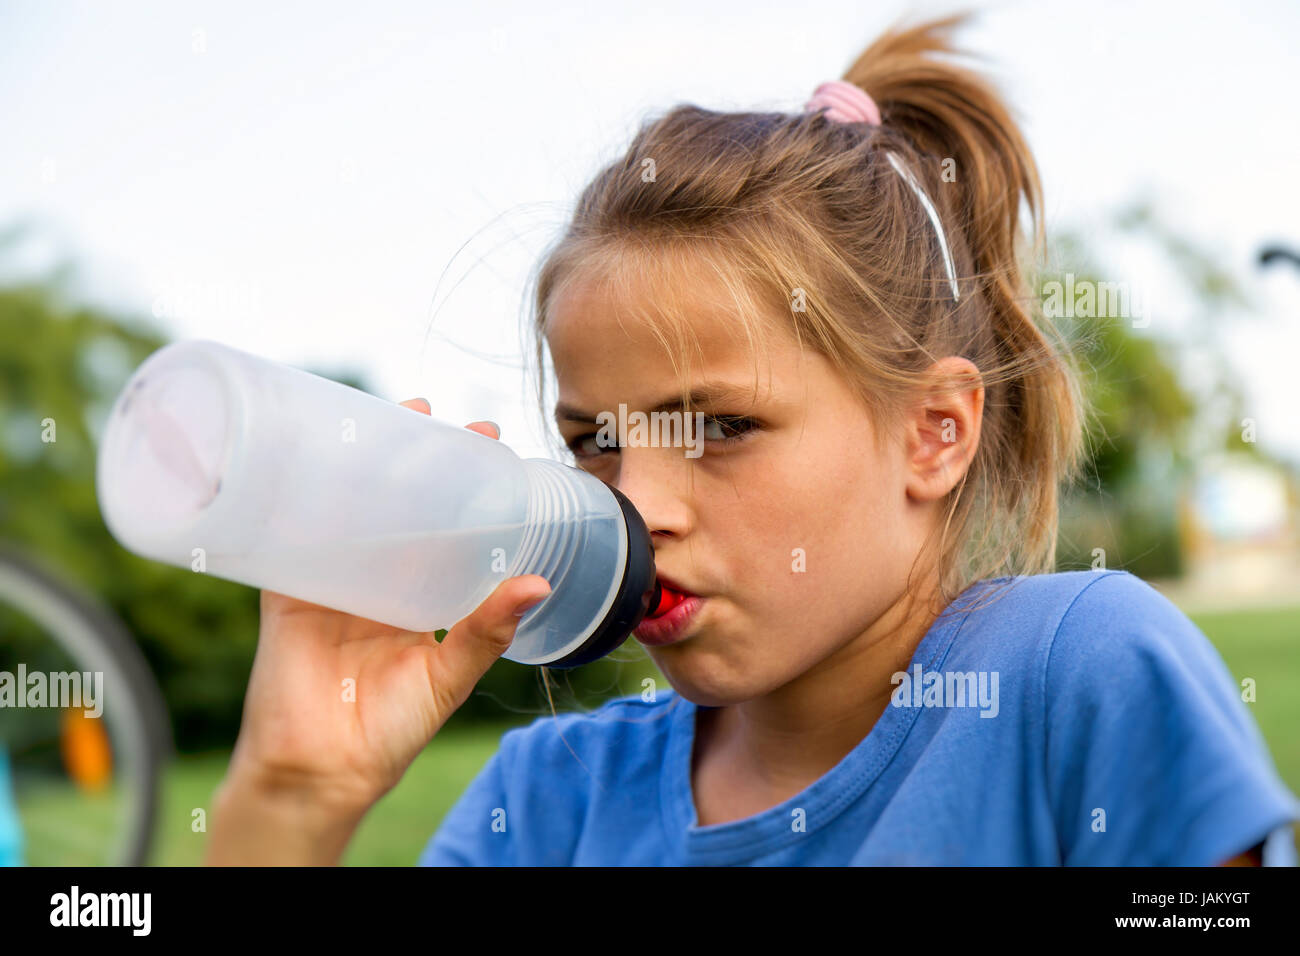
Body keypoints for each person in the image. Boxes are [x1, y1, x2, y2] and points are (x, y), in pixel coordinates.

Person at [205, 13, 1299, 866]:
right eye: (593, 440)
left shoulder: (1074, 672)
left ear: (934, 433)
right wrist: (291, 795)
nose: (637, 503)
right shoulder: (550, 798)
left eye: (720, 426)